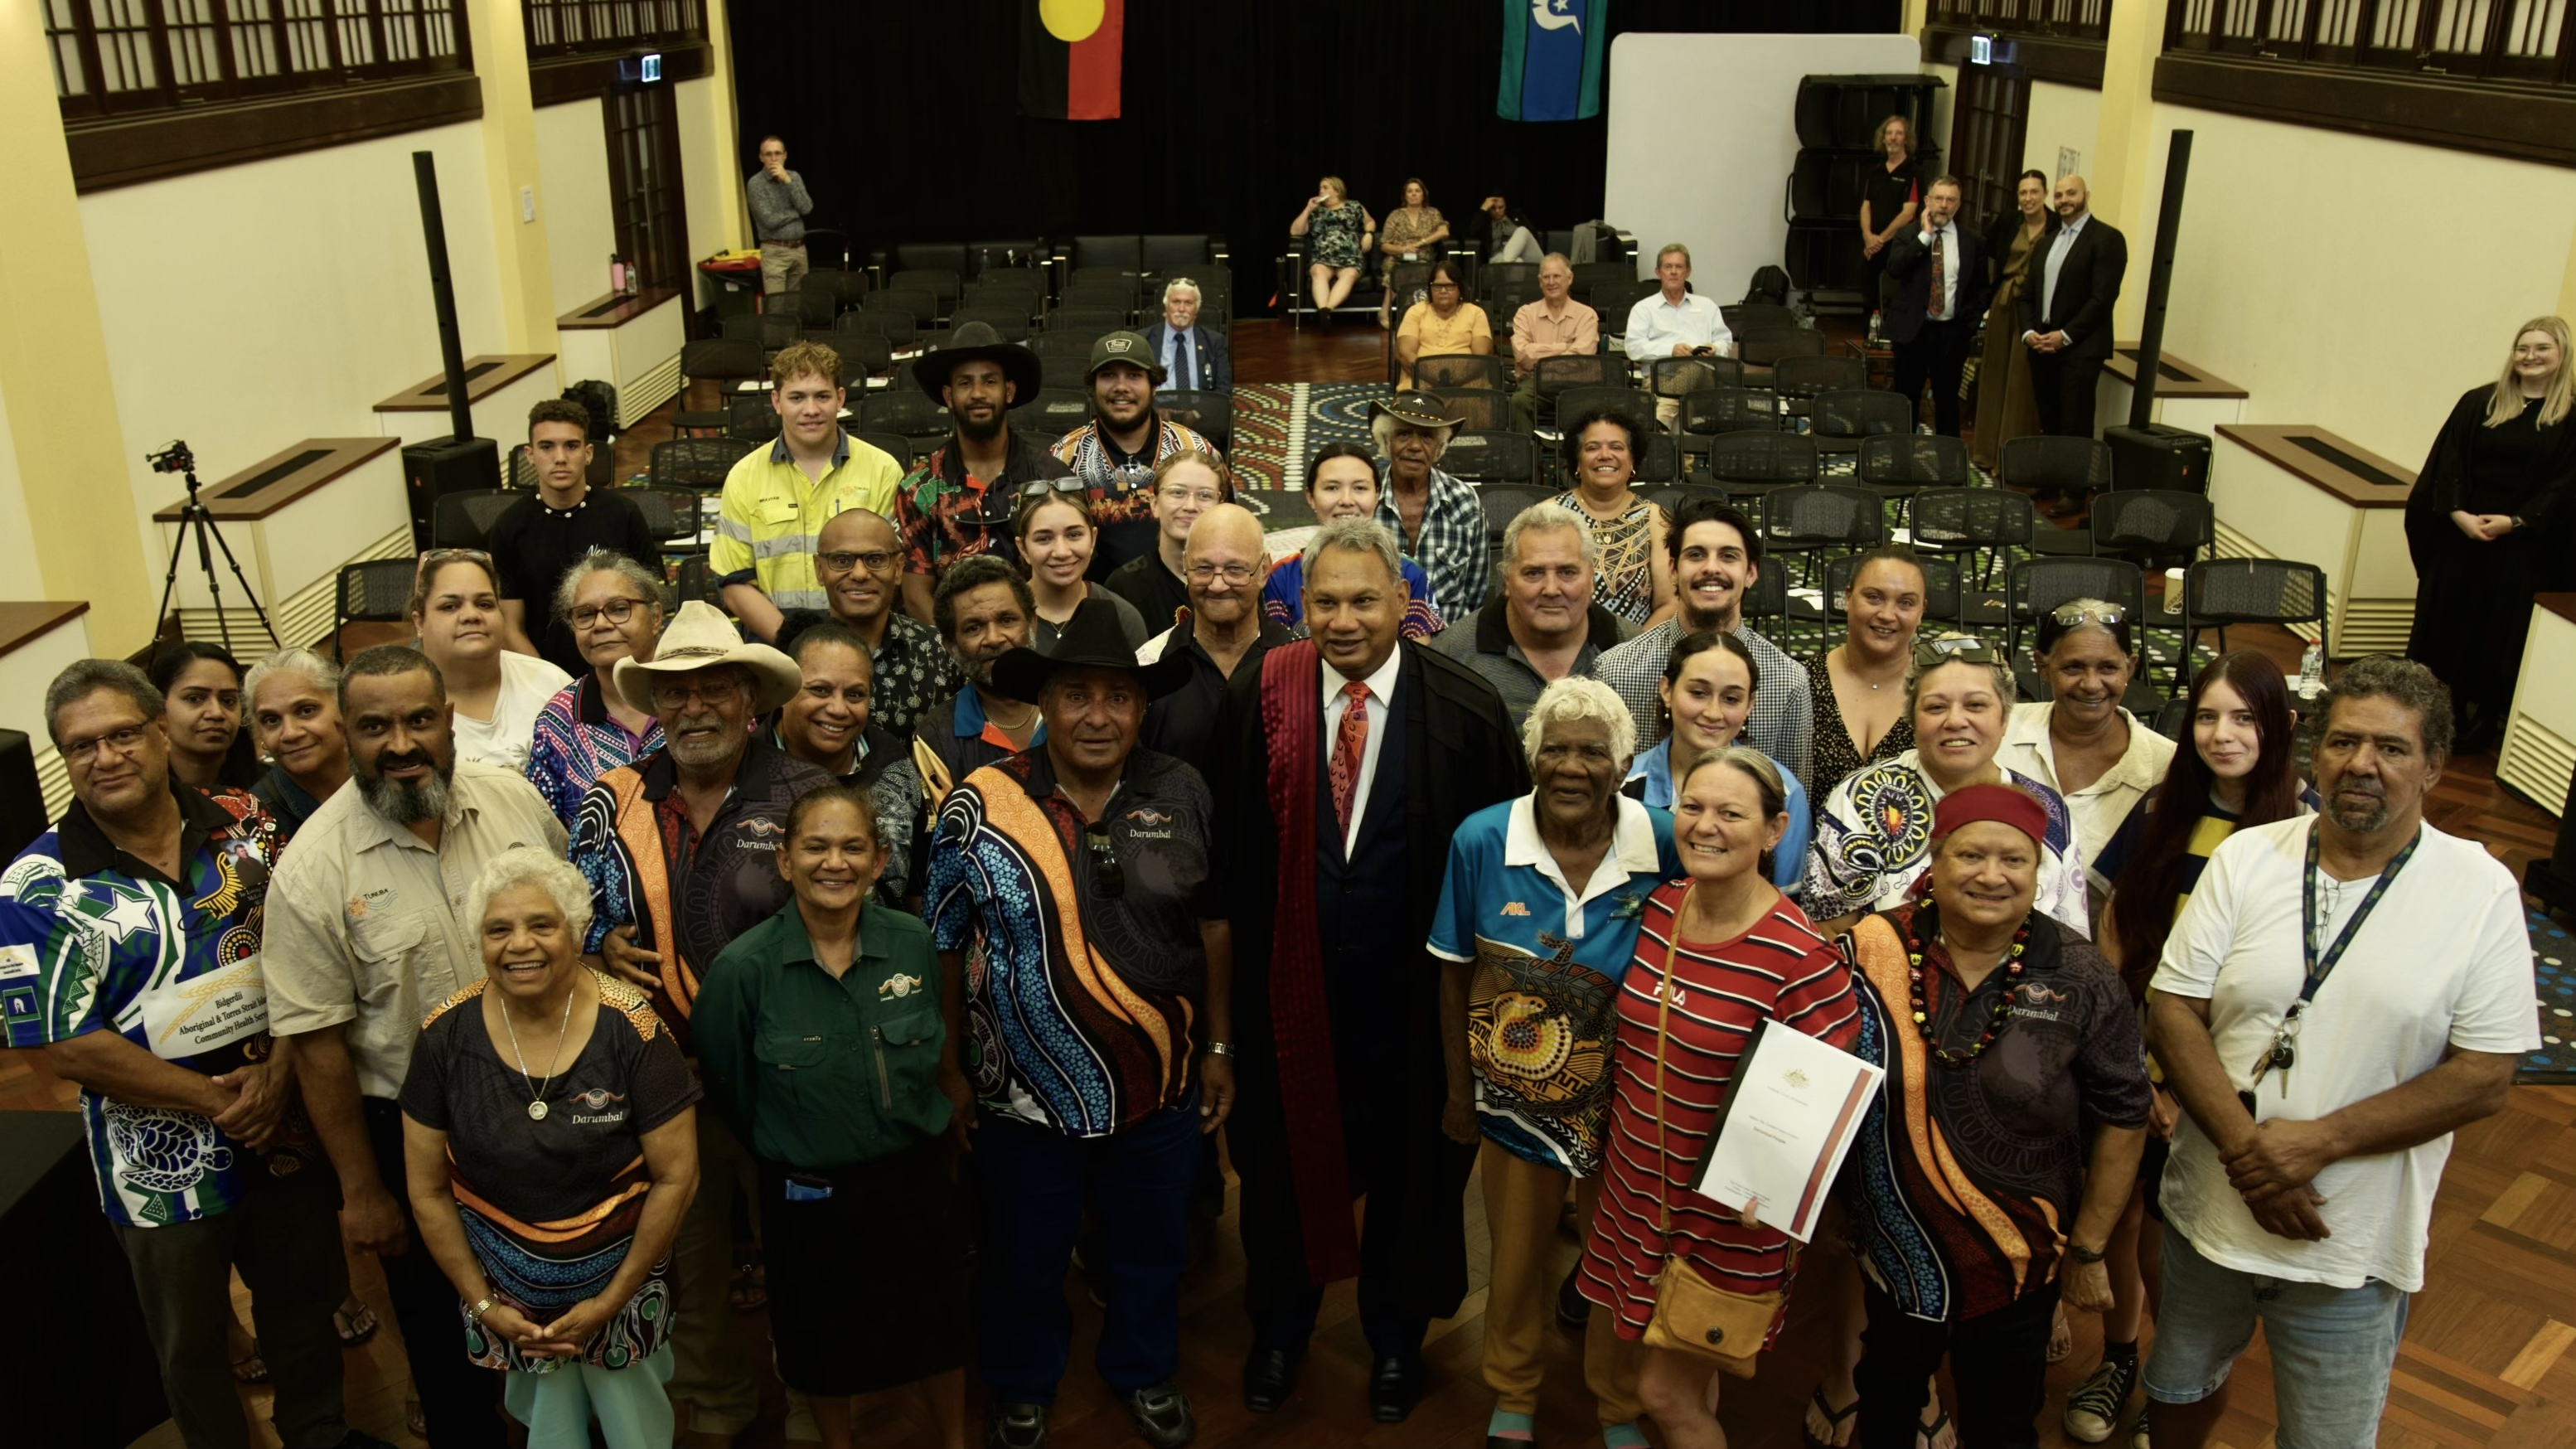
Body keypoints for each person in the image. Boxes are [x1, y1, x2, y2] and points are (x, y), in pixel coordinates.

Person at [2144, 657, 2533, 1449]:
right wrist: (2252, 1156)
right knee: (2178, 1391)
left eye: (2391, 748)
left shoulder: (2480, 890)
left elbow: (2486, 1076)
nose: (2362, 764)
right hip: (2210, 1213)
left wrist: (2318, 1144)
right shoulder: (2248, 857)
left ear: (2433, 766)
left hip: (2350, 1240)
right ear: (2314, 755)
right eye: (2345, 742)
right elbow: (2173, 1008)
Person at [4, 661, 388, 1449]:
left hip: (286, 1123)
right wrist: (223, 1102)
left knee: (305, 1302)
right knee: (191, 1344)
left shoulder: (247, 820)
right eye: (81, 747)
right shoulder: (34, 888)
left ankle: (319, 1433)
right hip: (158, 1167)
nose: (105, 757)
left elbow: (310, 953)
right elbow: (70, 1048)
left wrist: (280, 1072)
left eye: (121, 735)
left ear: (158, 732)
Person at [1205, 519, 1528, 1422]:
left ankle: (1395, 1340)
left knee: (1412, 1175)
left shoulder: (1465, 708)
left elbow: (1503, 869)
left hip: (1416, 1008)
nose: (1343, 621)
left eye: (1363, 600)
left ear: (1402, 601)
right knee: (1280, 1171)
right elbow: (1228, 853)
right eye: (1325, 602)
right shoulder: (1262, 693)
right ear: (1301, 606)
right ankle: (1281, 1329)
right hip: (1287, 994)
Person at [924, 600, 1229, 1449]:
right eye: (1077, 696)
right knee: (1023, 1254)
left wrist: (1218, 1045)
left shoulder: (1183, 789)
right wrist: (949, 1068)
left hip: (1160, 1083)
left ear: (1142, 707)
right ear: (1045, 704)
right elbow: (942, 940)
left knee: (1151, 1247)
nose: (1098, 716)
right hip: (1020, 1094)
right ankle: (1022, 1383)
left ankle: (1144, 1368)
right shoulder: (979, 802)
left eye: (1119, 697)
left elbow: (1213, 927)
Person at [263, 644, 568, 1449]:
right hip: (415, 1137)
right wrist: (363, 1190)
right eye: (375, 727)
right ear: (347, 733)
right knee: (445, 1343)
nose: (401, 744)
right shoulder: (313, 868)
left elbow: (574, 928)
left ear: (448, 722)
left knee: (565, 1315)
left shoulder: (514, 802)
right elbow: (317, 1044)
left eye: (419, 720)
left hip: (556, 1109)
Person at [568, 600, 827, 1447]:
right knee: (689, 1258)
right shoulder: (610, 800)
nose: (695, 707)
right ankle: (716, 1399)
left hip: (787, 1079)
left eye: (715, 688)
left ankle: (814, 1402)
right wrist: (599, 943)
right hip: (661, 1085)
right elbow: (571, 918)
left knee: (802, 1255)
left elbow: (850, 925)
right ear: (656, 705)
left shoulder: (808, 795)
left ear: (750, 699)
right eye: (675, 692)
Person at [1841, 783, 2150, 1449]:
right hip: (1896, 1246)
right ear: (1936, 858)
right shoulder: (1872, 948)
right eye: (1971, 855)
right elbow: (1808, 1070)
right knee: (1886, 1404)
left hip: (2022, 1258)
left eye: (2013, 860)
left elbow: (2126, 1114)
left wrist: (2089, 1248)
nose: (1991, 875)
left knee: (2002, 1423)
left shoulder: (2081, 975)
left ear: (2037, 871)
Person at [1579, 746, 1862, 1449]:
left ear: (1774, 830)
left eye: (1731, 813)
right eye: (1693, 807)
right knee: (1680, 1362)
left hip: (1729, 1218)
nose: (1705, 826)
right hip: (1639, 1189)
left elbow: (1820, 1108)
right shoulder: (1660, 909)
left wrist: (1766, 1192)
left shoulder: (1803, 960)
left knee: (1661, 1392)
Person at [1431, 678, 1682, 1449]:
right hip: (1514, 1099)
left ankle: (1617, 1403)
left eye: (1593, 752)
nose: (1572, 767)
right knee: (1514, 1258)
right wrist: (1459, 1095)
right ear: (1532, 758)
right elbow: (1453, 971)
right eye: (1556, 749)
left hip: (1632, 1104)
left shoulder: (1665, 842)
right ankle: (1513, 1389)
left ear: (1624, 765)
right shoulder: (1481, 840)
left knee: (1620, 1259)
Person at [2074, 651, 2309, 1449]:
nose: (2222, 734)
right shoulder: (2163, 808)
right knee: (2122, 1211)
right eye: (2207, 717)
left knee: (2180, 1239)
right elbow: (2116, 924)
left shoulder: (2305, 828)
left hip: (2228, 1075)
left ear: (2280, 726)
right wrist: (2133, 1069)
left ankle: (2173, 1384)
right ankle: (2119, 1358)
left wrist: (2191, 1085)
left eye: (2244, 717)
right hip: (2139, 1057)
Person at [695, 788, 968, 1449]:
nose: (835, 863)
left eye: (852, 847)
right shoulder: (743, 970)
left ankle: (956, 1441)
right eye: (816, 847)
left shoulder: (912, 943)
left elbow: (936, 1044)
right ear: (785, 861)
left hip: (912, 1179)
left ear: (880, 860)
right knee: (819, 1339)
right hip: (807, 1192)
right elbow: (731, 1086)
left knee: (938, 1327)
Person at [399, 850, 700, 1449]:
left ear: (577, 931)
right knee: (548, 1429)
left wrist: (610, 1302)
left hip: (623, 1292)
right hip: (509, 1300)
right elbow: (427, 1188)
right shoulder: (445, 1036)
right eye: (498, 929)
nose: (520, 945)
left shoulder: (634, 1028)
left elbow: (678, 1178)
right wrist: (485, 1306)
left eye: (542, 924)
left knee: (635, 1430)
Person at [1801, 632, 2088, 939]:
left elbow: (2070, 940)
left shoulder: (2047, 811)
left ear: (2005, 718)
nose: (1955, 721)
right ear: (1911, 717)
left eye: (1975, 705)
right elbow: (1828, 933)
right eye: (1936, 707)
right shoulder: (1861, 800)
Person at [2404, 315, 2576, 753]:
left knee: (2498, 637)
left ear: (2562, 355)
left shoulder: (2571, 415)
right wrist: (2458, 513)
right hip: (2461, 539)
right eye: (2523, 348)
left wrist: (2517, 521)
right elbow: (2448, 460)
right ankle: (2429, 719)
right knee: (2446, 628)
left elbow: (2568, 484)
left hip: (2525, 550)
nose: (2530, 356)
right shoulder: (2480, 401)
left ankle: (2482, 727)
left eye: (2542, 348)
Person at [1593, 497, 1813, 791]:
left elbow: (1792, 796)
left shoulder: (1788, 681)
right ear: (1673, 570)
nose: (1711, 568)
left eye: (1728, 556)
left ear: (1751, 573)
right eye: (1696, 555)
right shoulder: (1616, 672)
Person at [714, 340, 907, 642]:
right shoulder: (744, 477)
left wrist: (846, 649)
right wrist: (793, 642)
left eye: (822, 396)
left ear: (840, 399)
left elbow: (892, 572)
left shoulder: (882, 470)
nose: (811, 410)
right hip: (776, 640)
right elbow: (734, 583)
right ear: (777, 401)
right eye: (797, 398)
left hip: (864, 637)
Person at [889, 321, 1077, 622]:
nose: (978, 393)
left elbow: (1069, 576)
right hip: (950, 641)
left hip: (1039, 636)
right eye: (965, 383)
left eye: (989, 381)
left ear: (1009, 391)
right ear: (948, 396)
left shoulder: (1051, 478)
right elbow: (915, 595)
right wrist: (959, 643)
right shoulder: (919, 487)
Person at [1997, 600, 2175, 915]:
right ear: (2042, 666)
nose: (2091, 684)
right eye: (2073, 667)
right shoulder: (1998, 731)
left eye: (2108, 668)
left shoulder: (2166, 767)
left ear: (2130, 668)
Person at [1622, 630, 1810, 889]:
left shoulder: (1783, 791)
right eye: (1698, 693)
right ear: (1666, 690)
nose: (1713, 713)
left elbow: (1788, 899)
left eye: (1731, 699)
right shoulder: (1622, 785)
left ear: (1750, 705)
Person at [486, 398, 660, 676]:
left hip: (621, 666)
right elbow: (511, 627)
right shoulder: (509, 527)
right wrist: (549, 681)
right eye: (547, 447)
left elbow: (649, 607)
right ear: (530, 455)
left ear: (588, 453)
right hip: (544, 672)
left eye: (571, 446)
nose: (560, 458)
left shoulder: (623, 513)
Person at [1431, 502, 1629, 726]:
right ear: (1507, 580)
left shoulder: (1634, 652)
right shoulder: (1450, 658)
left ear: (1591, 578)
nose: (1551, 590)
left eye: (1567, 572)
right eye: (1533, 573)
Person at [772, 623, 923, 904]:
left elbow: (915, 885)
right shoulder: (746, 768)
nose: (838, 709)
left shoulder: (893, 764)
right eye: (820, 690)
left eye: (855, 695)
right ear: (785, 690)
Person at [790, 506, 964, 742]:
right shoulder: (792, 653)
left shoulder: (941, 652)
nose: (860, 574)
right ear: (820, 570)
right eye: (842, 560)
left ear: (899, 568)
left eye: (875, 559)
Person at [1052, 331, 1221, 574]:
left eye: (1133, 375)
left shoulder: (1196, 451)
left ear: (1154, 386)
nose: (1121, 387)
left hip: (1184, 590)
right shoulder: (1063, 458)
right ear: (1093, 386)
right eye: (1109, 375)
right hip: (1094, 593)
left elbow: (1226, 529)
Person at [1138, 502, 1291, 762]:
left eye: (1235, 570)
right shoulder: (1148, 666)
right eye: (1203, 569)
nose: (1218, 586)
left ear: (1264, 570)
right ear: (1185, 565)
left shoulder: (1303, 664)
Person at [524, 551, 668, 829]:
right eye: (585, 615)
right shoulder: (557, 722)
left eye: (619, 609)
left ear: (655, 617)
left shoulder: (699, 694)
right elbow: (544, 831)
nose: (601, 624)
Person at [1260, 442, 1445, 640]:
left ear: (1377, 495)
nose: (1346, 500)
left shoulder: (1409, 572)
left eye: (1360, 488)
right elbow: (1277, 652)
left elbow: (1417, 651)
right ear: (1311, 496)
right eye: (1332, 488)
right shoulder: (1280, 576)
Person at [413, 550, 574, 775]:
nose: (471, 615)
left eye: (485, 604)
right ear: (419, 623)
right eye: (450, 606)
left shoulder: (551, 683)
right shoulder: (404, 706)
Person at [911, 555, 1043, 805]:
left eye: (1006, 620)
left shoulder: (1074, 709)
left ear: (1032, 624)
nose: (994, 638)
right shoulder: (937, 737)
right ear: (951, 646)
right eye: (974, 627)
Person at [1807, 546, 1927, 802]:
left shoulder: (1935, 691)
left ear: (1921, 612)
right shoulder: (1802, 682)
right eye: (1874, 598)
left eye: (1906, 603)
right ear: (1848, 597)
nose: (1887, 615)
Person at [2022, 174, 2128, 444]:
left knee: (2074, 428)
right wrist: (2029, 332)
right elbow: (2026, 295)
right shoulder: (2047, 242)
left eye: (2071, 193)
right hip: (2042, 347)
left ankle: (2073, 476)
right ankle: (2050, 473)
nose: (2064, 200)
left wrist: (2065, 336)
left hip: (2080, 349)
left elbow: (2102, 299)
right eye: (2059, 195)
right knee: (2049, 424)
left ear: (2086, 195)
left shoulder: (2107, 238)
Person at [1881, 176, 1990, 439]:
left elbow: (1981, 289)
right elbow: (1894, 268)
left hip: (1952, 333)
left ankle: (1947, 460)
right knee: (1906, 401)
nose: (1943, 205)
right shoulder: (1908, 234)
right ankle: (1902, 454)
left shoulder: (1973, 241)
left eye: (1950, 200)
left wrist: (1968, 326)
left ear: (1958, 204)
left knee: (1948, 403)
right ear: (1927, 201)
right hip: (1912, 331)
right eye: (1938, 198)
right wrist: (1924, 237)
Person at [1368, 392, 1491, 623]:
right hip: (1380, 640)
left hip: (1449, 640)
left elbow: (1476, 594)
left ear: (1439, 448)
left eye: (1426, 436)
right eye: (1404, 434)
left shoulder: (1465, 502)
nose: (1415, 446)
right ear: (1387, 441)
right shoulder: (1364, 500)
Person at [1552, 406, 1672, 626]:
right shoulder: (1548, 515)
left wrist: (1633, 646)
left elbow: (1669, 603)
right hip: (1559, 640)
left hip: (1639, 643)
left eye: (1616, 447)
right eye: (1592, 448)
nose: (1605, 455)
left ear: (1632, 461)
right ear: (1577, 461)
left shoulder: (1657, 520)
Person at [1973, 171, 2056, 473]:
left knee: (2020, 382)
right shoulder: (2009, 221)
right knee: (1994, 374)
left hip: (2034, 307)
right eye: (2023, 193)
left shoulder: (2057, 225)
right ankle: (1985, 453)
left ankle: (2009, 461)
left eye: (2034, 192)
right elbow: (1985, 250)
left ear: (2045, 193)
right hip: (2003, 301)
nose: (2028, 198)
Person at [1104, 449, 1224, 632]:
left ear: (1220, 506)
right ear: (1155, 504)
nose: (1190, 506)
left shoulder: (1237, 581)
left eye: (1205, 495)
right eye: (1178, 492)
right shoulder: (1124, 587)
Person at [1016, 486, 1150, 651]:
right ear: (1023, 548)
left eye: (1074, 535)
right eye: (1044, 539)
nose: (1062, 552)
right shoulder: (1000, 617)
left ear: (1093, 540)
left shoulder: (1123, 617)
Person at [246, 647, 351, 842]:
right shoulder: (254, 820)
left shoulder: (387, 774)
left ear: (343, 708)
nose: (290, 733)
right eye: (271, 720)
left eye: (306, 711)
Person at [1624, 245, 1733, 427]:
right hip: (1659, 378)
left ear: (1688, 272)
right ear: (1658, 272)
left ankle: (1659, 421)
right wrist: (1671, 350)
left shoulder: (1707, 306)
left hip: (1703, 380)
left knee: (1694, 366)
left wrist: (1716, 349)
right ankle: (1668, 428)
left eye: (1679, 267)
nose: (1673, 272)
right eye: (1668, 267)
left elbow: (1725, 341)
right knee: (1685, 385)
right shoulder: (1643, 309)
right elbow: (1633, 349)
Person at [151, 642, 259, 790]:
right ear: (159, 708)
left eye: (228, 701)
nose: (216, 713)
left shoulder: (267, 790)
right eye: (194, 699)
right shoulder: (140, 793)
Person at [1508, 253, 1600, 429]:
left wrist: (1538, 356)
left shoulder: (1586, 315)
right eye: (1546, 277)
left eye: (1557, 276)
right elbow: (1522, 354)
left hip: (1575, 385)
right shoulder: (1525, 313)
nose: (1551, 282)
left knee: (1591, 407)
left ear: (1569, 278)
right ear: (1540, 281)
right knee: (1518, 401)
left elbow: (1582, 358)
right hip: (1536, 384)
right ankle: (1525, 448)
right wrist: (1565, 348)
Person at [1393, 259, 1494, 391]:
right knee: (1416, 399)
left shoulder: (1476, 313)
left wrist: (1456, 379)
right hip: (1421, 378)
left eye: (1449, 286)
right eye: (1437, 286)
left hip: (1467, 380)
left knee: (1474, 393)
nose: (1443, 291)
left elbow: (1481, 356)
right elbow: (1405, 352)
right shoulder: (1415, 311)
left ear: (1459, 289)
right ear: (1430, 289)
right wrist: (1433, 377)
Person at [1288, 176, 1375, 326]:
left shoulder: (1354, 206)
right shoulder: (1316, 211)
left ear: (1337, 190)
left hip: (1349, 257)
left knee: (1349, 275)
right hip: (1323, 256)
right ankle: (1325, 313)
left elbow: (1370, 221)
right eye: (1320, 188)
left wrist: (1369, 234)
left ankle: (1326, 312)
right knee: (1318, 273)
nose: (1321, 191)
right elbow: (1295, 231)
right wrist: (1308, 209)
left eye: (1325, 187)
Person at [1858, 114, 1922, 321]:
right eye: (1889, 133)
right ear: (1883, 138)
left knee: (1894, 300)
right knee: (1869, 299)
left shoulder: (1914, 172)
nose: (1893, 137)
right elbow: (1866, 206)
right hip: (1872, 246)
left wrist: (1880, 240)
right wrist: (1868, 236)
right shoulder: (1875, 172)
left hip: (1898, 247)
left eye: (1899, 133)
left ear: (1906, 139)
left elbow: (1908, 213)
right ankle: (1869, 336)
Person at [1377, 177, 1450, 328]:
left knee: (1418, 269)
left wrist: (1421, 243)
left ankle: (1414, 315)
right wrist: (1404, 249)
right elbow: (1384, 245)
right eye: (1410, 191)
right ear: (1405, 196)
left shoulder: (1432, 213)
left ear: (1423, 194)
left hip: (1422, 256)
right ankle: (1384, 313)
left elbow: (1444, 232)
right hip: (1398, 257)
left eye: (1417, 191)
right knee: (1395, 272)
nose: (1414, 194)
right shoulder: (1396, 215)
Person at [1140, 277, 1231, 393]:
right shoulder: (1144, 340)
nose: (1181, 309)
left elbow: (1224, 389)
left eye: (1188, 303)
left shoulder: (1214, 342)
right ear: (1166, 305)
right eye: (1176, 302)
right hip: (1157, 403)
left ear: (1197, 308)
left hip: (1200, 404)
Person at [747, 134, 811, 296]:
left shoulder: (794, 177)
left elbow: (806, 208)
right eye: (769, 154)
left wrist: (788, 181)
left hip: (799, 250)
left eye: (778, 153)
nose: (774, 159)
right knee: (777, 305)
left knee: (797, 303)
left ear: (785, 155)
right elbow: (769, 221)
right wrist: (795, 212)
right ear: (761, 158)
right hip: (775, 252)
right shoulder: (756, 184)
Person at [1473, 193, 1540, 264]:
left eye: (1500, 207)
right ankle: (1508, 259)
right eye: (1493, 208)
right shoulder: (1485, 223)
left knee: (1522, 230)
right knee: (1518, 261)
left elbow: (1532, 235)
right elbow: (1472, 232)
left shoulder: (1516, 215)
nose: (1497, 211)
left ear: (1505, 207)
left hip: (1525, 255)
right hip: (1498, 257)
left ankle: (1508, 259)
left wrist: (1513, 245)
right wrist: (1483, 209)